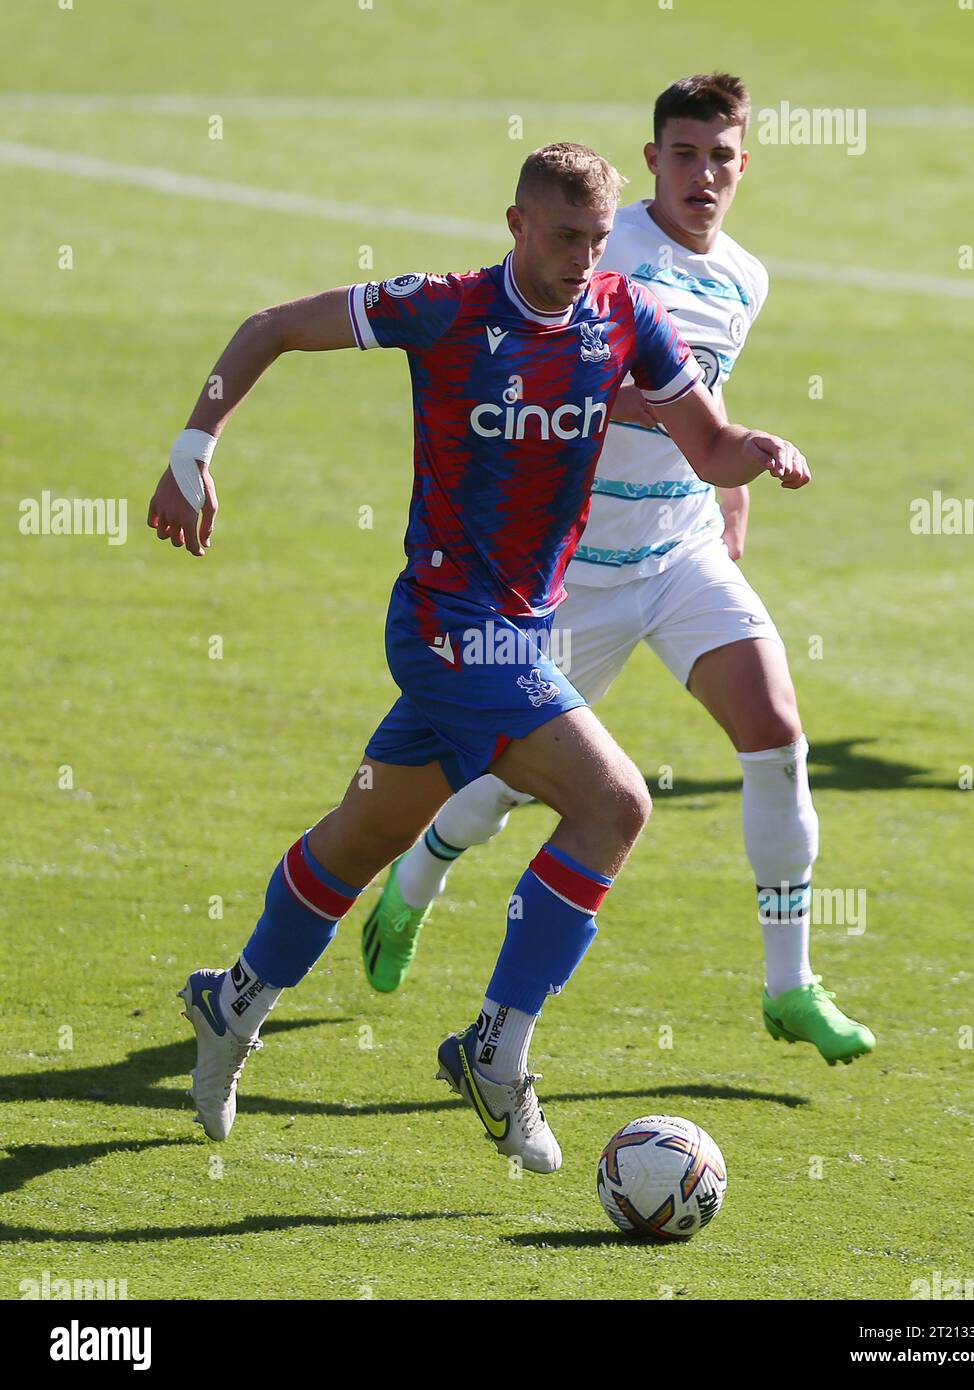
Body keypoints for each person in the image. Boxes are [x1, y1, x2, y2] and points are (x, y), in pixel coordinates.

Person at [147, 141, 810, 1174]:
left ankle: (229, 1002)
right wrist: (194, 450)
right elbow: (273, 326)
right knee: (615, 802)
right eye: (562, 238)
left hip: (523, 628)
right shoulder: (447, 309)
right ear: (514, 224)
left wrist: (753, 453)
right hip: (451, 625)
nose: (583, 258)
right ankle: (496, 1052)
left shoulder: (624, 313)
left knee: (359, 839)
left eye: (597, 238)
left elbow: (707, 443)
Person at [361, 78, 873, 1068]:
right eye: (684, 154)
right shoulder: (604, 249)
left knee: (774, 731)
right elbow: (575, 375)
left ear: (743, 164)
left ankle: (791, 983)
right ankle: (415, 878)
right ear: (652, 160)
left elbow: (700, 389)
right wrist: (677, 423)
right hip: (568, 579)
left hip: (677, 553)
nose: (703, 175)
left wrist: (729, 479)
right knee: (506, 789)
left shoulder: (747, 278)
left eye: (721, 157)